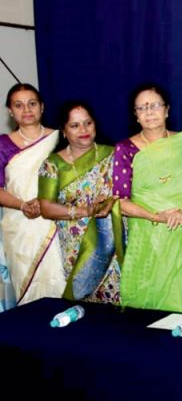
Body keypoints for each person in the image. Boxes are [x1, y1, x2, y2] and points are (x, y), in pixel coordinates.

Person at [114, 83, 182, 315]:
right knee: (152, 311)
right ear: (136, 115)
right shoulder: (125, 150)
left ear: (167, 110)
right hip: (149, 236)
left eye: (155, 105)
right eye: (142, 108)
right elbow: (119, 201)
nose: (149, 112)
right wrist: (156, 216)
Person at [38, 101, 121, 303]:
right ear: (64, 131)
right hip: (76, 245)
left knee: (117, 303)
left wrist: (110, 202)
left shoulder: (114, 154)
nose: (83, 130)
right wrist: (84, 211)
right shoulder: (52, 164)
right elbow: (46, 208)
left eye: (88, 123)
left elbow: (126, 193)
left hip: (110, 240)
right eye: (75, 125)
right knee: (83, 300)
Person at [0, 83, 66, 309]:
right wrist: (23, 205)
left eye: (32, 103)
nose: (26, 109)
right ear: (10, 110)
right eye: (18, 105)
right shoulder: (2, 145)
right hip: (21, 229)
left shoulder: (60, 138)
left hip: (59, 224)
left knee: (62, 284)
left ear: (42, 107)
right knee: (30, 295)